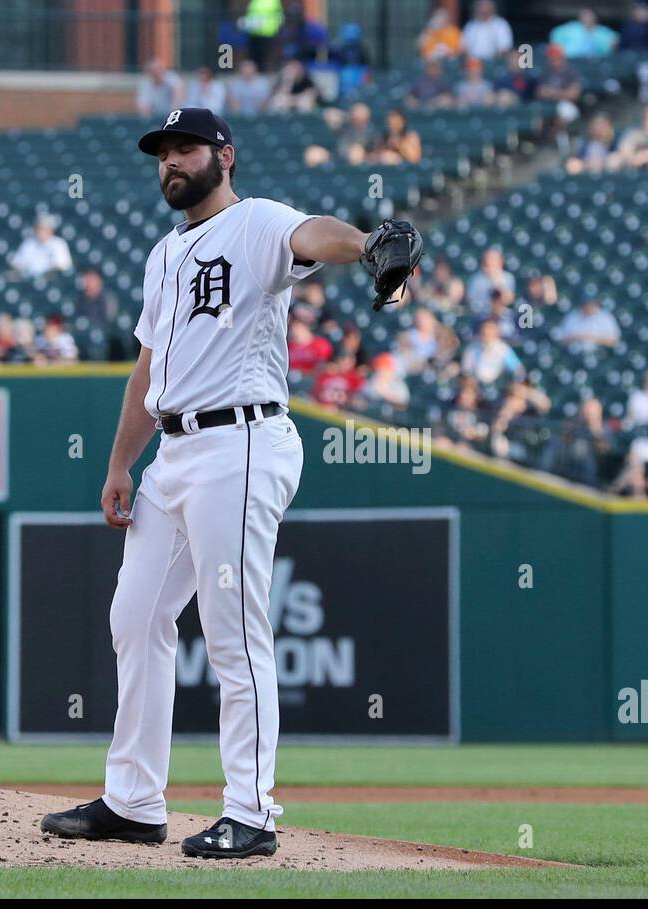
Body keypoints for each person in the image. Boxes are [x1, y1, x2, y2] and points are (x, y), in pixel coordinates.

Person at [39, 107, 414, 859]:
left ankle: (251, 810)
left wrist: (370, 244)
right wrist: (120, 461)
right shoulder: (162, 254)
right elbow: (147, 371)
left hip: (241, 439)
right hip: (173, 453)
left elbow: (315, 233)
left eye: (186, 148)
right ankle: (135, 799)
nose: (171, 161)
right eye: (163, 152)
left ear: (224, 156)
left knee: (234, 629)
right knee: (135, 616)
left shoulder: (256, 223)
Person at [607, 102, 648, 172]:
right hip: (633, 159)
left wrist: (643, 156)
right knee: (613, 159)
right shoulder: (633, 131)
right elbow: (623, 150)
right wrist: (633, 158)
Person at [461, 318, 523, 385]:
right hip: (476, 385)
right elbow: (466, 370)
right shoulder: (472, 348)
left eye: (491, 329)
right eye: (485, 330)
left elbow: (517, 368)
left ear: (497, 332)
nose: (487, 332)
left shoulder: (503, 349)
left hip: (498, 384)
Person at [10, 214, 73, 279]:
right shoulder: (28, 243)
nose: (41, 232)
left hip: (51, 280)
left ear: (51, 230)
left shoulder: (59, 243)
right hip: (29, 279)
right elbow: (16, 263)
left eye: (44, 229)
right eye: (39, 228)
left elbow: (64, 266)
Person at [549, 7, 618, 58]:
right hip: (571, 59)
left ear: (595, 17)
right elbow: (555, 34)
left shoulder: (601, 30)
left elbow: (613, 40)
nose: (587, 18)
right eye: (584, 16)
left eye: (589, 16)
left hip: (593, 61)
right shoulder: (572, 27)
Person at [466, 247, 515, 316]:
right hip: (481, 315)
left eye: (494, 259)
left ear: (501, 261)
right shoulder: (476, 279)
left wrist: (496, 280)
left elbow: (508, 300)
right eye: (488, 259)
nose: (490, 262)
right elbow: (471, 301)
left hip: (502, 315)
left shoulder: (508, 278)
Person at [555, 296, 620, 347]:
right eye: (586, 304)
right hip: (576, 355)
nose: (589, 307)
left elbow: (614, 341)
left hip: (600, 354)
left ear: (596, 303)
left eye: (591, 304)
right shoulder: (572, 316)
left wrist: (592, 337)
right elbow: (561, 340)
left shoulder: (605, 317)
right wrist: (578, 337)